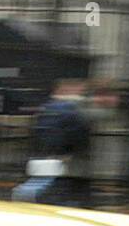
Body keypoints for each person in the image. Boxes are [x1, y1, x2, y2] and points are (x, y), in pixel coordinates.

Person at [29, 79, 93, 207]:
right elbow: (80, 137)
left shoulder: (46, 109)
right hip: (67, 163)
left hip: (43, 159)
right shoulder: (73, 111)